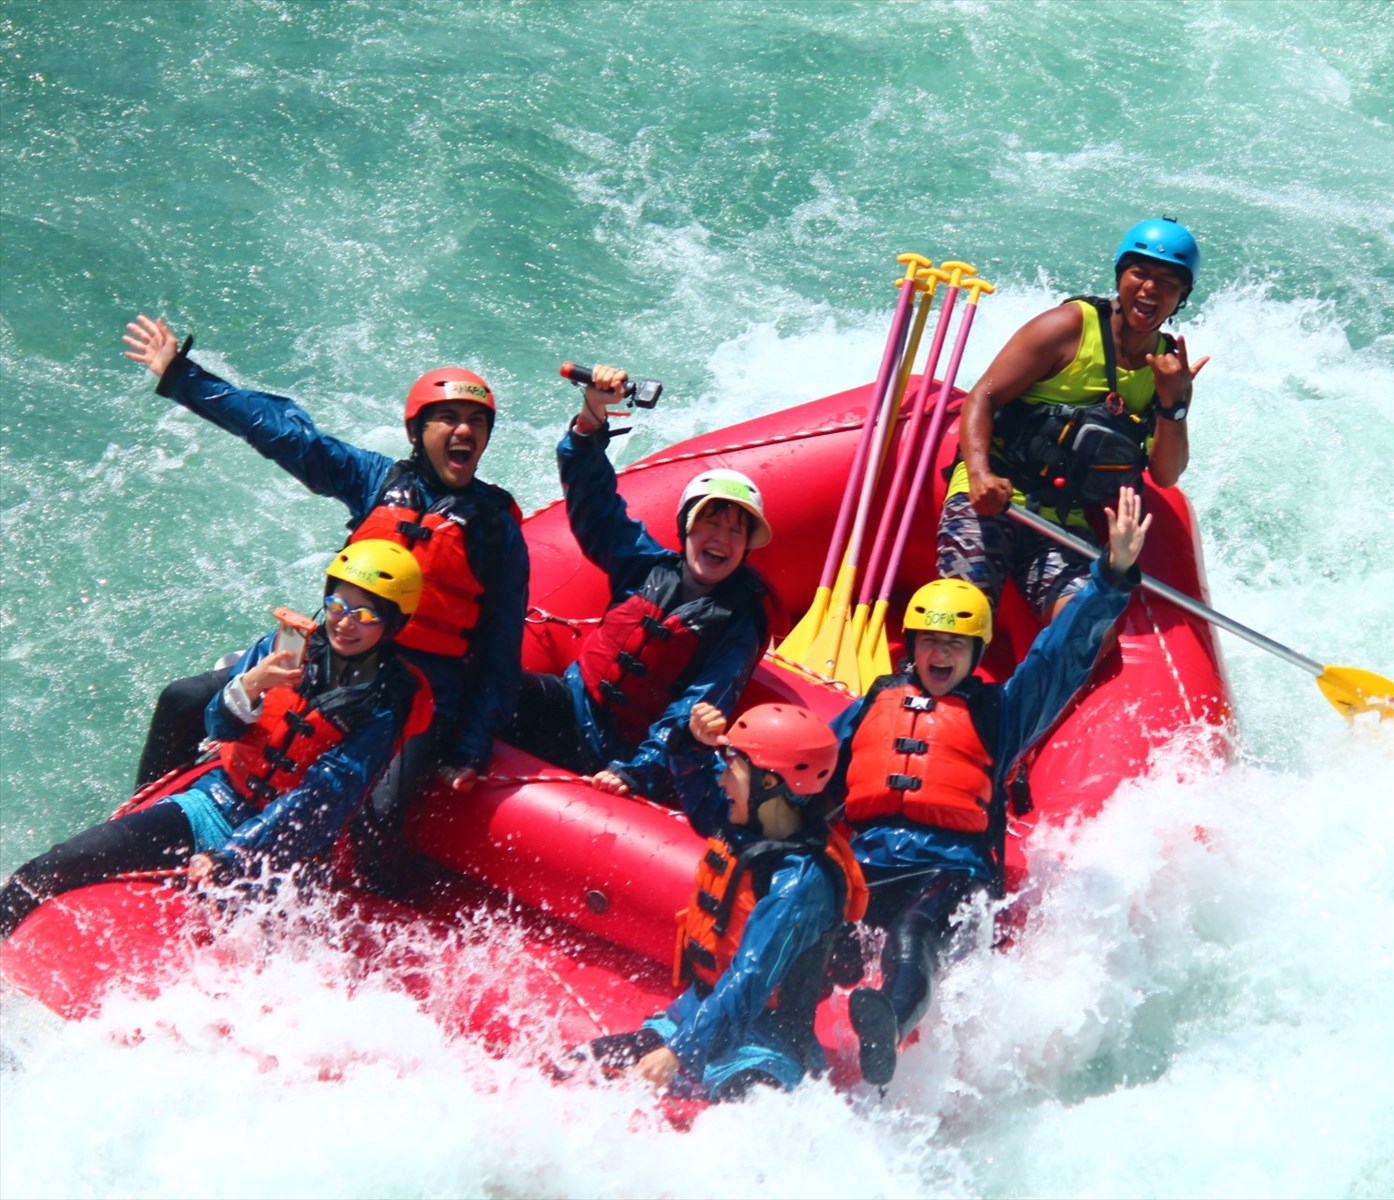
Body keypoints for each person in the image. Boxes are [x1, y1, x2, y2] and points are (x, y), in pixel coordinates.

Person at [120, 316, 528, 877]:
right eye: (449, 418)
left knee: (377, 821)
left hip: (413, 693)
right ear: (417, 431)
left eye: (477, 422)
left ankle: (340, 894)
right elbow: (285, 434)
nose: (464, 431)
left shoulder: (494, 527)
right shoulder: (376, 481)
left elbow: (503, 645)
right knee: (182, 700)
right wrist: (183, 376)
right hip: (342, 654)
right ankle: (142, 822)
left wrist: (472, 746)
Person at [835, 486, 1150, 1086]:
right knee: (810, 914)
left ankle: (891, 1025)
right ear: (912, 648)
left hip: (948, 877)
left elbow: (1059, 657)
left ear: (975, 651)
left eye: (954, 643)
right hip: (868, 869)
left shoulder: (1001, 713)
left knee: (913, 933)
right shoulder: (875, 702)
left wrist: (1110, 576)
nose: (940, 653)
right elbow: (813, 767)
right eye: (930, 640)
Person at [0, 541, 433, 940]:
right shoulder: (282, 648)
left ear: (394, 622)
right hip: (212, 805)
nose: (345, 621)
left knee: (227, 958)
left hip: (284, 852)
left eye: (366, 614)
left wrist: (234, 855)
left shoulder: (381, 707)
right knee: (53, 866)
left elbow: (323, 799)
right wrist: (249, 686)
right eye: (337, 603)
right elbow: (219, 728)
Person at [503, 364, 780, 805]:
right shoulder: (645, 564)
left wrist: (634, 771)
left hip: (635, 754)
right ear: (686, 528)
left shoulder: (738, 624)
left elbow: (696, 706)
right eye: (710, 522)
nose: (721, 538)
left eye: (735, 531)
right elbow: (595, 505)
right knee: (483, 685)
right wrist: (592, 418)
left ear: (746, 547)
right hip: (573, 708)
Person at [572, 702, 867, 1101]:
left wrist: (679, 1054)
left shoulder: (799, 883)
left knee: (741, 1116)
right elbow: (701, 792)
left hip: (766, 1045)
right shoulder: (746, 822)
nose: (724, 781)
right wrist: (692, 743)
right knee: (575, 1066)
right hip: (694, 1014)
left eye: (733, 768)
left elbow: (750, 980)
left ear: (768, 784)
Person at [937, 217, 1208, 623]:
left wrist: (1174, 403)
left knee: (1083, 632)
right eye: (1141, 273)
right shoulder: (1067, 327)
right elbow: (982, 398)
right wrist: (978, 475)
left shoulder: (1169, 370)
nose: (1151, 288)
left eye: (1168, 281)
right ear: (1121, 275)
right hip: (997, 493)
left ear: (1182, 296)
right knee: (960, 616)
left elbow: (1166, 475)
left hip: (1065, 518)